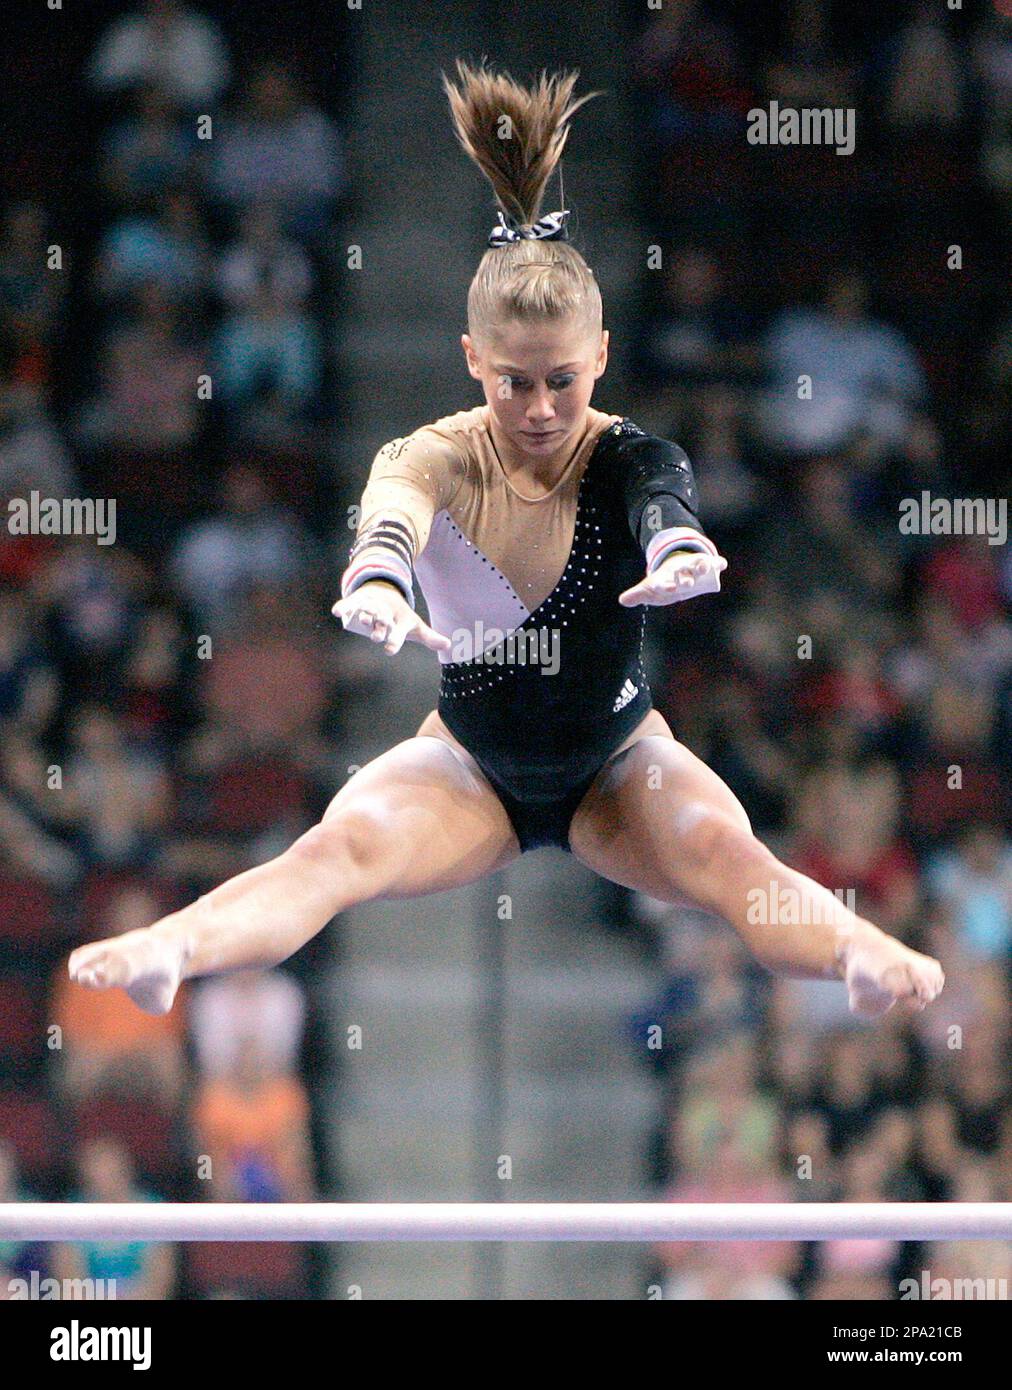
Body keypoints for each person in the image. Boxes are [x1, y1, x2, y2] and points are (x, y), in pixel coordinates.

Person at [68, 60, 944, 1028]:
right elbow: (392, 514)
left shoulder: (629, 454)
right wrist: (377, 579)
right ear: (472, 360)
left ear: (601, 356)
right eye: (512, 382)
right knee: (335, 849)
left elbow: (664, 503)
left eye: (562, 381)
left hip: (618, 766)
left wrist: (678, 553)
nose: (538, 408)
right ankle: (174, 944)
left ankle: (857, 952)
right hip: (469, 769)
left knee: (731, 860)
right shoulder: (433, 455)